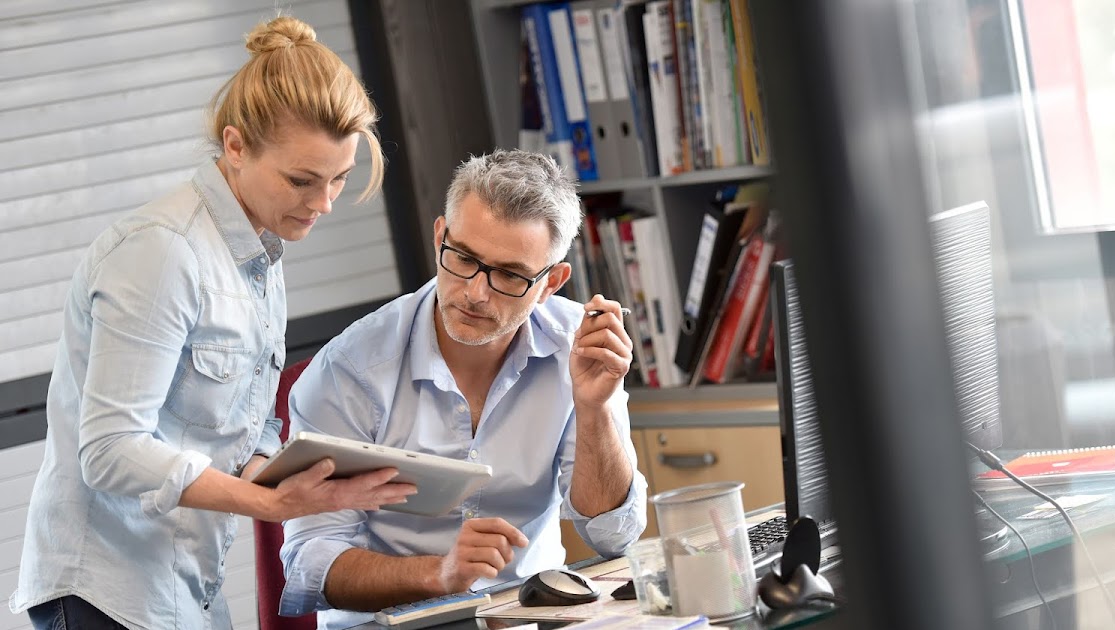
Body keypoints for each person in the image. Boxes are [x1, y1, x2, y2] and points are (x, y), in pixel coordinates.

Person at [8, 16, 418, 630]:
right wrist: (271, 502)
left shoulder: (258, 252)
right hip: (106, 595)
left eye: (339, 178)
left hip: (185, 589)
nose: (324, 203)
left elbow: (234, 437)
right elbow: (109, 450)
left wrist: (307, 477)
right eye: (301, 180)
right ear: (234, 145)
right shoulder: (163, 252)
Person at [279, 149, 649, 629]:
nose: (476, 292)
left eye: (510, 275)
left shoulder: (578, 349)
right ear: (440, 239)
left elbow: (612, 535)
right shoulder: (350, 369)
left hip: (529, 619)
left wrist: (594, 407)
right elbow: (311, 564)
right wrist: (440, 574)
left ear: (551, 282)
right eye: (464, 259)